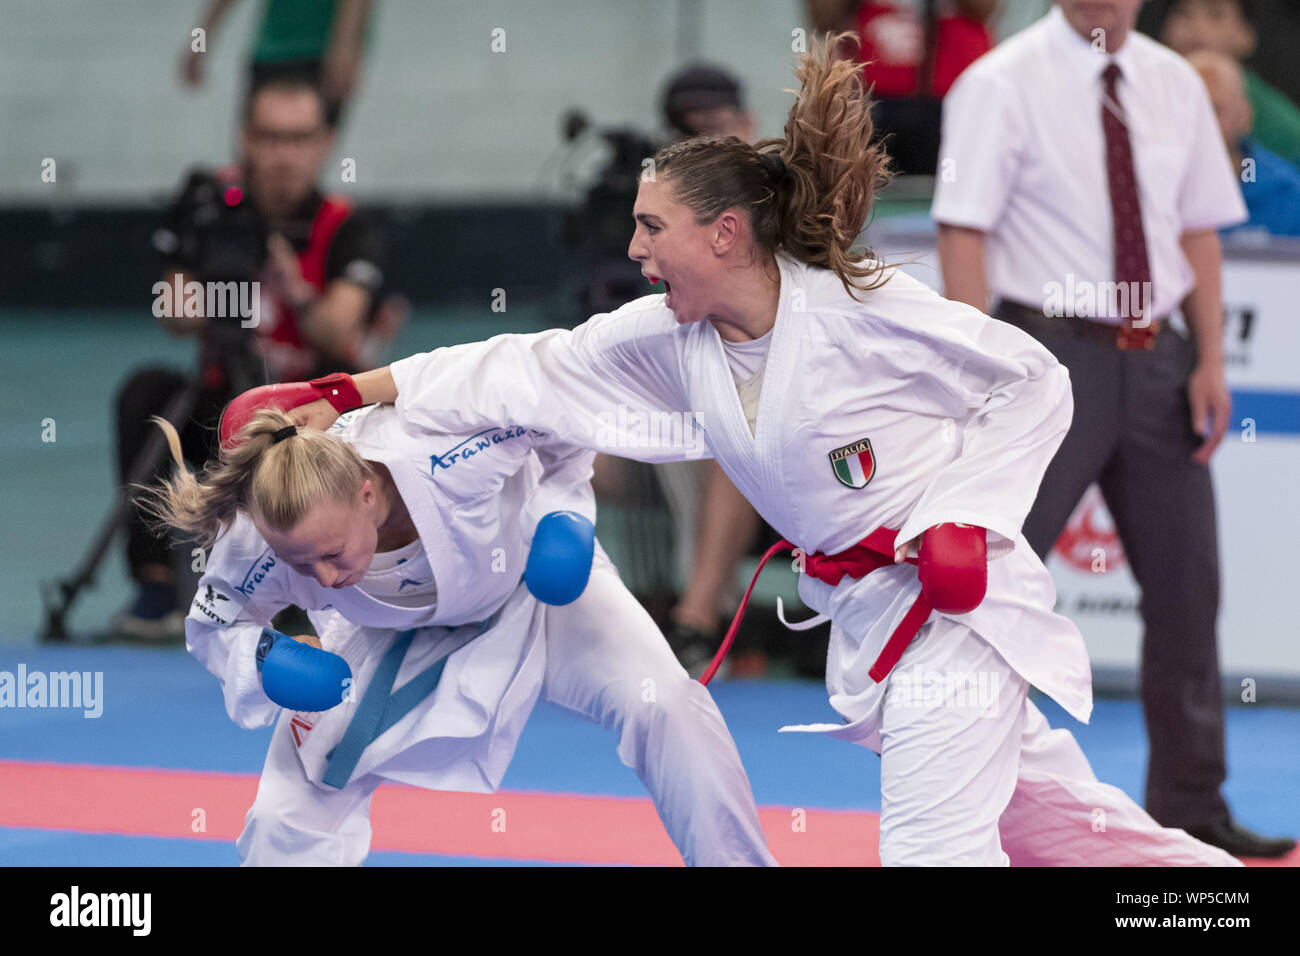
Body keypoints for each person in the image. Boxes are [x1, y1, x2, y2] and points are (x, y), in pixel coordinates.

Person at [282, 32, 1241, 866]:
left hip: (954, 616)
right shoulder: (672, 334)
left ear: (726, 234)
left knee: (932, 849)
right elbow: (525, 365)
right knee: (1067, 831)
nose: (637, 247)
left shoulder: (866, 312)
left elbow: (1035, 381)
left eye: (654, 227)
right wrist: (347, 390)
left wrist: (966, 519)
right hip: (870, 617)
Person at [135, 381, 776, 866]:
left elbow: (559, 419)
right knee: (293, 803)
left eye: (332, 553)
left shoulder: (441, 442)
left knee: (665, 704)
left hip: (534, 589)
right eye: (304, 563)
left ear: (366, 490)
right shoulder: (264, 531)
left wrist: (563, 517)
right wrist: (265, 659)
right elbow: (213, 624)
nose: (323, 578)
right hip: (389, 636)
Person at [932, 0, 1295, 858]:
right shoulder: (998, 82)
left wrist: (1210, 360)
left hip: (1158, 357)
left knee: (1187, 590)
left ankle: (1191, 805)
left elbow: (1199, 228)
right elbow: (962, 230)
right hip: (1046, 351)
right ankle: (959, 790)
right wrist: (975, 367)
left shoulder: (1174, 82)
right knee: (987, 584)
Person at [113, 73, 399, 642]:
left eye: (298, 139)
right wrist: (228, 273)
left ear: (322, 143)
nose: (282, 155)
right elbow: (173, 313)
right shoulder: (210, 208)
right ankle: (155, 586)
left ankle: (314, 580)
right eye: (269, 138)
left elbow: (341, 332)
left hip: (312, 419)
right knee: (144, 394)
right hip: (221, 405)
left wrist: (293, 287)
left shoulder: (344, 227)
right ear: (245, 138)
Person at [179, 0, 373, 129]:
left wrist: (345, 47)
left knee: (304, 154)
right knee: (258, 151)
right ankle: (236, 192)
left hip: (320, 53)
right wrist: (200, 42)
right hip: (272, 49)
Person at [1155, 0, 1300, 169]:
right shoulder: (1144, 96)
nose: (1195, 26)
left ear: (1247, 34)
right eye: (1182, 13)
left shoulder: (1284, 130)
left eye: (1215, 14)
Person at [1190, 49, 1300, 238]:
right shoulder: (1151, 184)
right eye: (1193, 108)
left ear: (1244, 116)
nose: (1203, 122)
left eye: (1216, 110)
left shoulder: (1285, 192)